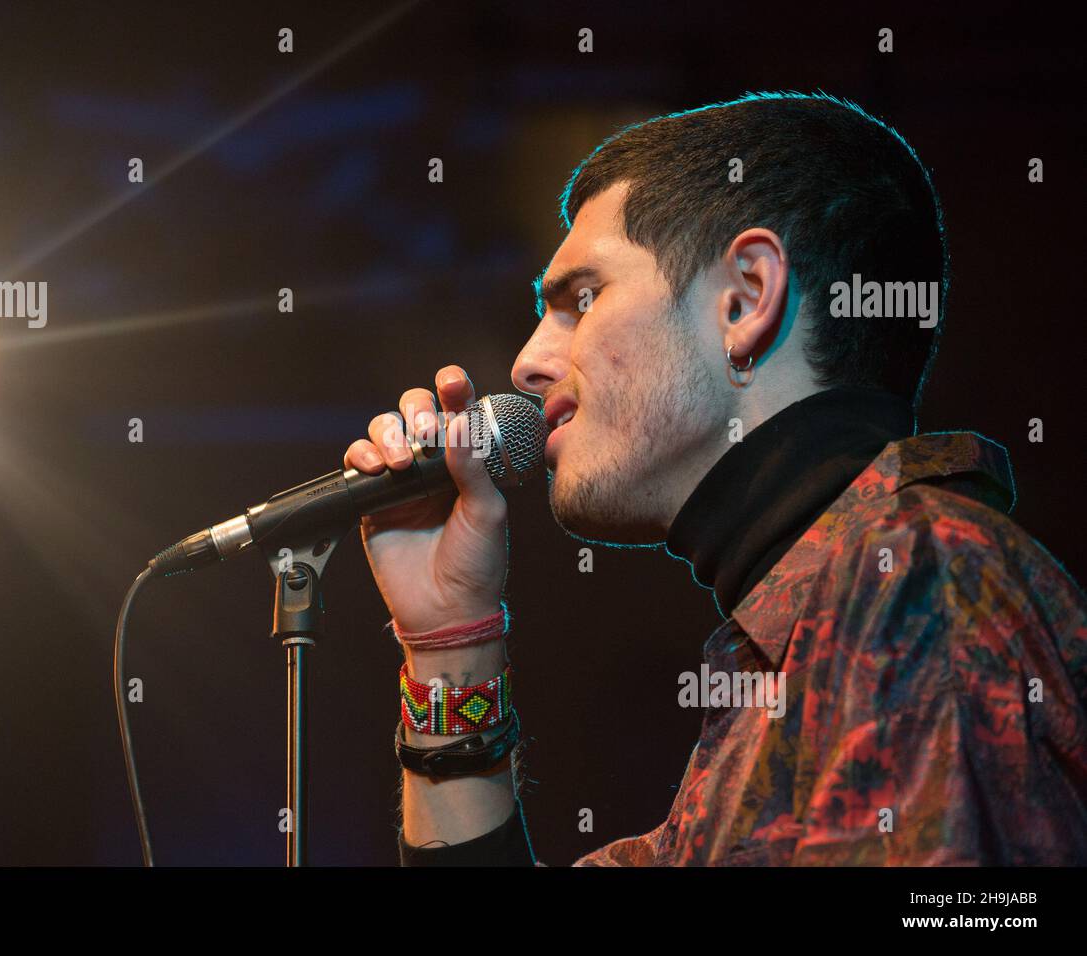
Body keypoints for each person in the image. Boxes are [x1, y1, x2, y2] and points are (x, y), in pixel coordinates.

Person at [341, 92, 1087, 865]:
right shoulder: (802, 634)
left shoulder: (914, 578)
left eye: (581, 299)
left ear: (745, 299)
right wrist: (445, 641)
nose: (528, 360)